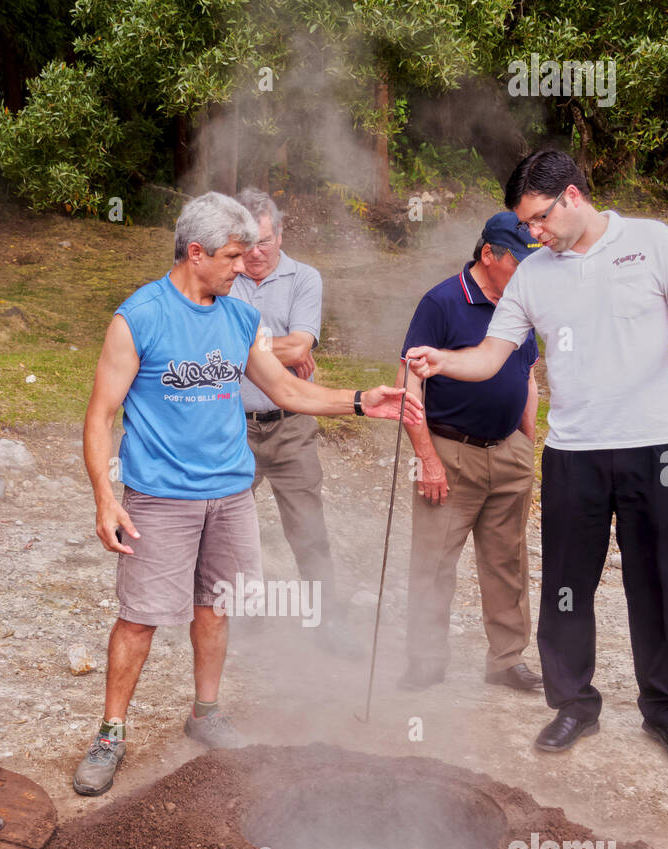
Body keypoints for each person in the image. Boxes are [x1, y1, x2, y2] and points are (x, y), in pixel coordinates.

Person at [73, 191, 423, 796]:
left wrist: (363, 402)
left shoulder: (240, 319)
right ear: (196, 252)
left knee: (216, 605)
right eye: (235, 256)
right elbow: (100, 415)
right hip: (159, 495)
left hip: (230, 493)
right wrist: (107, 498)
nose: (246, 267)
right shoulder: (140, 317)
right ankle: (110, 732)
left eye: (251, 253)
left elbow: (287, 392)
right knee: (140, 619)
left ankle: (205, 712)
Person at [407, 149, 668, 759]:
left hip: (653, 445)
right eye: (525, 225)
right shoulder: (534, 275)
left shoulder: (651, 242)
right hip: (573, 450)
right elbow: (493, 354)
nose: (533, 233)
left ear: (572, 197)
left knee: (656, 579)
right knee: (567, 587)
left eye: (539, 219)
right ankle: (574, 705)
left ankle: (666, 711)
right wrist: (443, 361)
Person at [397, 211, 542, 693]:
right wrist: (427, 458)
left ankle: (505, 660)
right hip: (449, 452)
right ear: (488, 255)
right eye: (520, 261)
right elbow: (409, 382)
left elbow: (527, 375)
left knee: (507, 561)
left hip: (509, 453)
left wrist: (527, 440)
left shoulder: (523, 305)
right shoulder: (440, 302)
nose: (528, 270)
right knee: (434, 561)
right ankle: (424, 660)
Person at [230, 187, 360, 656]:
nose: (255, 253)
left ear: (281, 234)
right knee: (228, 527)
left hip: (291, 424)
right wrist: (275, 349)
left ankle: (327, 620)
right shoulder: (225, 275)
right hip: (232, 426)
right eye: (246, 242)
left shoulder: (305, 278)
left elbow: (301, 347)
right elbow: (212, 345)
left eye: (264, 241)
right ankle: (239, 611)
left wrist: (244, 350)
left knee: (309, 529)